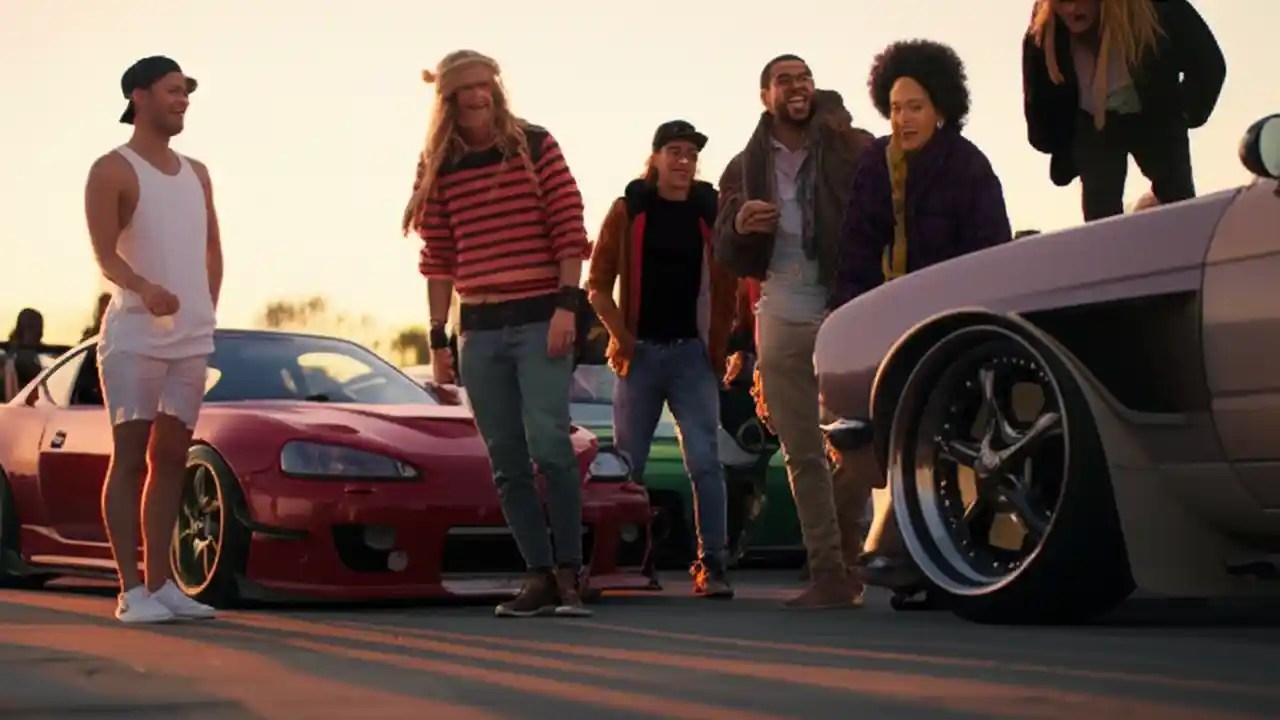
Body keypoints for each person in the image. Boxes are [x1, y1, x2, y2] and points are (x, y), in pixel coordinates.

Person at [402, 50, 593, 619]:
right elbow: (438, 258)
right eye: (468, 89)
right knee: (506, 460)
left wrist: (567, 308)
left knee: (550, 446)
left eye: (487, 85)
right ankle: (537, 576)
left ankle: (570, 573)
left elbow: (569, 228)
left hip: (541, 320)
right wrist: (438, 339)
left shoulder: (534, 146)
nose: (481, 96)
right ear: (449, 101)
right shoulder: (437, 166)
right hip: (479, 331)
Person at [833, 39, 1013, 595]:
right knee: (877, 441)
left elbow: (991, 251)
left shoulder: (968, 166)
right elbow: (857, 252)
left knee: (939, 438)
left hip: (954, 324)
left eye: (914, 106)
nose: (902, 118)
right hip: (891, 324)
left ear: (941, 108)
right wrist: (844, 322)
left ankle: (904, 556)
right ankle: (856, 564)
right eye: (893, 107)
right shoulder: (874, 166)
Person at [715, 55, 875, 609]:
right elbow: (725, 246)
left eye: (804, 76)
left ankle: (849, 555)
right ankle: (829, 571)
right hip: (780, 302)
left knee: (859, 443)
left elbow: (880, 194)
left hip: (842, 302)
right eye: (784, 79)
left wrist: (840, 126)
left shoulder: (847, 144)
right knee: (803, 451)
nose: (797, 86)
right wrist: (738, 223)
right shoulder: (743, 164)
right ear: (766, 96)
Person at [83, 56, 222, 623]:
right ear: (139, 97)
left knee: (172, 458)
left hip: (191, 336)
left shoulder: (198, 171)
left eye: (186, 91)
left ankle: (164, 584)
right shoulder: (111, 169)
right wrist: (144, 287)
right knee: (131, 457)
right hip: (136, 334)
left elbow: (212, 246)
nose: (182, 99)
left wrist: (208, 304)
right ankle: (130, 591)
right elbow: (104, 252)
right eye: (172, 90)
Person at [586, 120, 738, 598]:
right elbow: (596, 285)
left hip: (692, 356)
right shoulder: (630, 209)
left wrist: (728, 346)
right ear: (655, 158)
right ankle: (626, 563)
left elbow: (734, 284)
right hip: (641, 357)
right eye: (674, 151)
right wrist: (621, 337)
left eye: (691, 154)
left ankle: (712, 563)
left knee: (705, 463)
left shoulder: (707, 212)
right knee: (628, 465)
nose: (683, 161)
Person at [1022, 0, 1226, 221]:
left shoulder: (1153, 7)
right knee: (1100, 213)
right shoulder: (1045, 28)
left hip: (1153, 115)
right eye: (1063, 2)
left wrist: (1185, 112)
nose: (1073, 9)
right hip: (1094, 124)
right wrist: (1054, 141)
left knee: (1178, 200)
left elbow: (1208, 61)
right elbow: (1037, 95)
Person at [3, 308, 44, 401]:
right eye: (32, 327)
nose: (39, 332)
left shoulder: (42, 354)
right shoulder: (13, 356)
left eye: (39, 327)